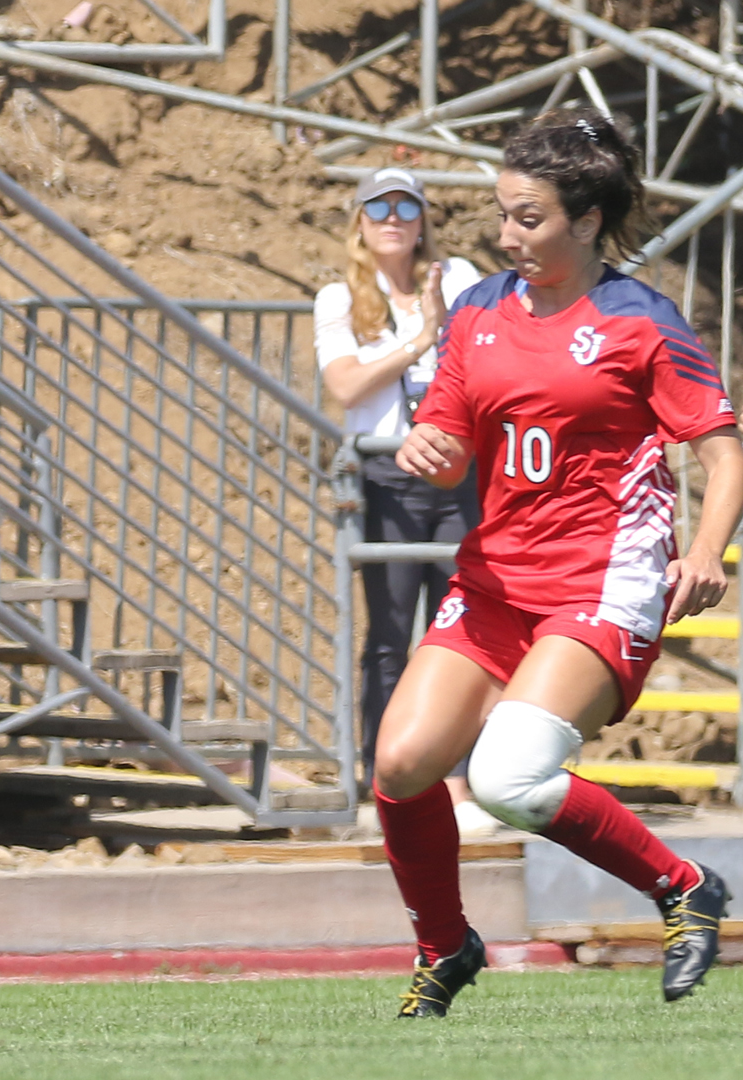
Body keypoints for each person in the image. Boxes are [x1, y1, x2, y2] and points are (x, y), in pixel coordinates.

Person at [379, 108, 740, 1017]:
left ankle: (683, 886)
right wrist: (427, 445)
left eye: (529, 218)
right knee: (403, 763)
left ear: (585, 220)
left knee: (506, 778)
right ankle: (445, 946)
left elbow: (724, 451)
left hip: (603, 578)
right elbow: (453, 440)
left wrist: (705, 550)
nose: (509, 236)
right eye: (503, 214)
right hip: (497, 576)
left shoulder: (639, 322)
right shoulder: (479, 308)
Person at [313, 168, 496, 836]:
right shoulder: (340, 297)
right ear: (359, 222)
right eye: (378, 206)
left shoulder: (462, 275)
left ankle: (460, 778)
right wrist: (422, 337)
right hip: (385, 474)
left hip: (456, 468)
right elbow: (348, 388)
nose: (393, 217)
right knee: (390, 634)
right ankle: (387, 779)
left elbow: (489, 355)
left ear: (423, 219)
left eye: (406, 206)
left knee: (468, 629)